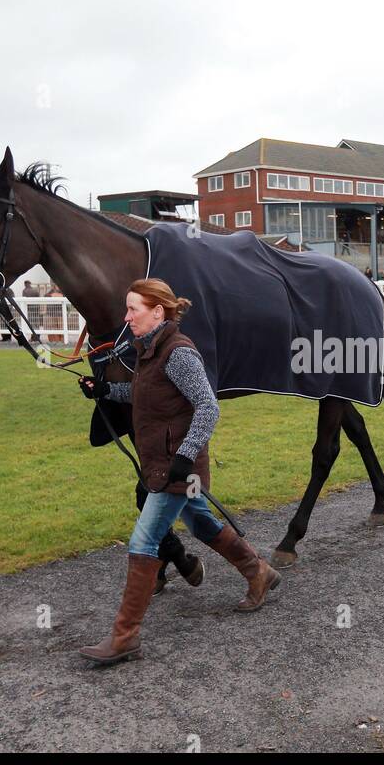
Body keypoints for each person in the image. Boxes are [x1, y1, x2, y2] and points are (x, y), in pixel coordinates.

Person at [75, 279, 281, 665]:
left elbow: (208, 406)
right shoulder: (148, 352)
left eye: (133, 308)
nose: (126, 316)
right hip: (161, 465)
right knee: (201, 524)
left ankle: (125, 637)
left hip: (176, 470)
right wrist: (103, 391)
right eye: (127, 308)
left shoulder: (178, 353)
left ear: (157, 311)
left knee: (142, 540)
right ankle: (259, 571)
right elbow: (145, 395)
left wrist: (185, 457)